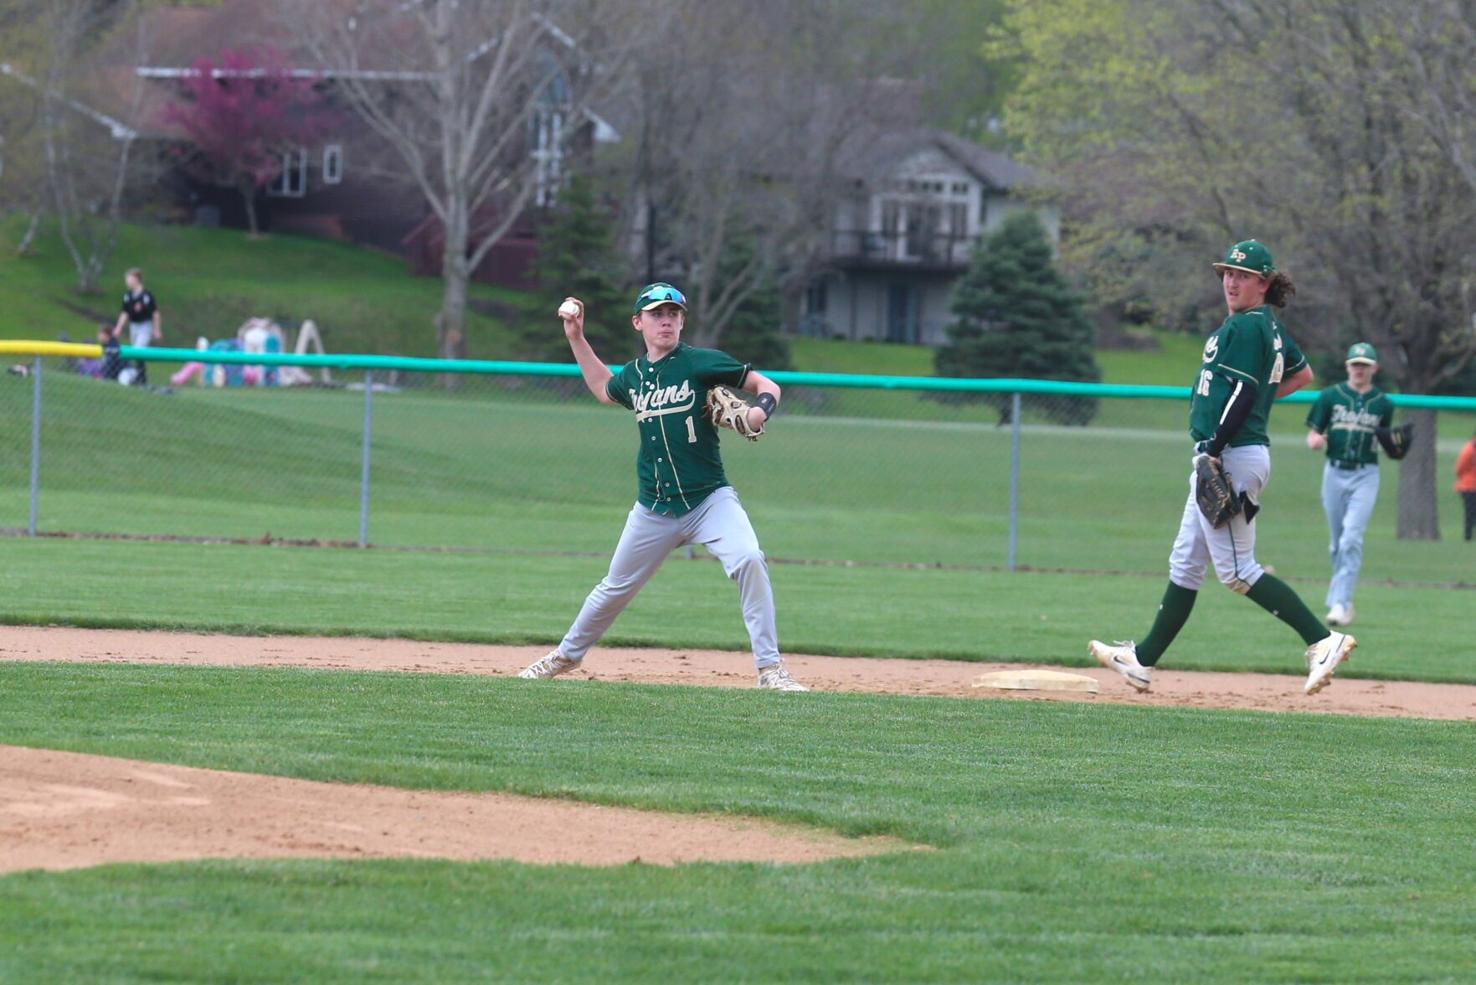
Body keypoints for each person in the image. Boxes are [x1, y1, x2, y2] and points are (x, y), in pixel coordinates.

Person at [1089, 240, 1356, 696]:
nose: (1231, 281)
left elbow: (1246, 393)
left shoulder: (1248, 328)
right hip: (1229, 451)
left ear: (1264, 283)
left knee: (1236, 571)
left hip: (1229, 455)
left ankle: (1323, 638)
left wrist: (1216, 443)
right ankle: (1142, 660)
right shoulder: (1264, 326)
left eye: (1242, 275)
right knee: (1186, 562)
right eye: (1227, 274)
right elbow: (1302, 374)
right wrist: (1238, 426)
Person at [519, 283, 808, 691]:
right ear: (638, 322)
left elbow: (768, 386)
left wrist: (761, 412)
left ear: (682, 320)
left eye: (673, 313)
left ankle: (771, 670)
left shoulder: (701, 363)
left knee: (748, 559)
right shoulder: (634, 377)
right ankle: (564, 656)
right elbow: (604, 389)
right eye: (656, 313)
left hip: (709, 499)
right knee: (613, 589)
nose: (666, 319)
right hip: (654, 506)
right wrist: (576, 337)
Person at [1304, 343, 1403, 626]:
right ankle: (1340, 600)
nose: (1359, 369)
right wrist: (1315, 440)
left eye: (1365, 364)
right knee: (1337, 544)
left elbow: (1382, 441)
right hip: (1334, 472)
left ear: (1375, 368)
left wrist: (1393, 449)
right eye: (1355, 364)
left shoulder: (1384, 404)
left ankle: (1340, 602)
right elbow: (1314, 433)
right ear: (1347, 367)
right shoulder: (1330, 396)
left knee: (1351, 539)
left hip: (1365, 474)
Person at [113, 267, 161, 385]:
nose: (127, 282)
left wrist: (156, 330)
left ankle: (139, 377)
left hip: (145, 326)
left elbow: (155, 314)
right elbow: (125, 313)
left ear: (136, 279)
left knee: (138, 350)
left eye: (129, 279)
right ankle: (141, 377)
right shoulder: (127, 296)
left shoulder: (146, 295)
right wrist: (118, 327)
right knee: (137, 354)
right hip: (133, 326)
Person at [1457, 429, 1476, 541]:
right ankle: (1468, 537)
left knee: (1471, 513)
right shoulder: (1469, 449)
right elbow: (1460, 467)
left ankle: (1469, 537)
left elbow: (1459, 468)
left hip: (1470, 485)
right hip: (1469, 487)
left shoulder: (1469, 448)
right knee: (1470, 513)